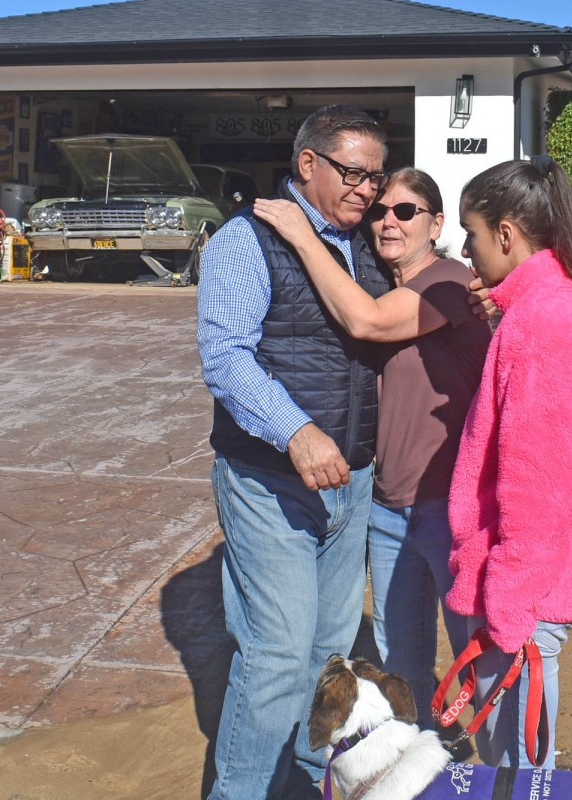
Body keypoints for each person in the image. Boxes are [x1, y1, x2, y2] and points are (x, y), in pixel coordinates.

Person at [196, 104, 392, 800]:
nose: (367, 190)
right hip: (271, 481)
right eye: (353, 173)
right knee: (278, 655)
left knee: (327, 655)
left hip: (352, 483)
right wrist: (296, 431)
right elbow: (226, 359)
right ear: (307, 164)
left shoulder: (369, 245)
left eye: (376, 176)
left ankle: (313, 785)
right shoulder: (245, 241)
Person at [252, 167, 491, 730]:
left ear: (434, 224)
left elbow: (367, 323)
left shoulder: (450, 283)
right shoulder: (387, 283)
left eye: (406, 212)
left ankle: (508, 775)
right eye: (381, 210)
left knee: (476, 658)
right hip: (388, 506)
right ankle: (419, 765)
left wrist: (303, 236)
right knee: (401, 662)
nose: (389, 220)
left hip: (449, 505)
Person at [446, 155, 572, 769]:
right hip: (538, 582)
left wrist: (510, 603)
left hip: (531, 591)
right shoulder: (556, 306)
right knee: (521, 764)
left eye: (471, 235)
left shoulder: (549, 321)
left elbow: (541, 486)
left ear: (506, 234)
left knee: (523, 771)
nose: (466, 250)